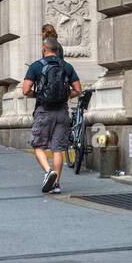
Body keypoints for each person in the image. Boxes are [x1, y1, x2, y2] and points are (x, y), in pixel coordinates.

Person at [22, 36, 81, 193]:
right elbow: (78, 89)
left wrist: (38, 95)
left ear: (44, 48)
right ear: (57, 50)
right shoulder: (66, 66)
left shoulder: (36, 67)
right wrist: (66, 95)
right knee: (57, 149)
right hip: (62, 111)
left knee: (38, 146)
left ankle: (49, 172)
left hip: (44, 111)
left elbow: (25, 90)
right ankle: (57, 184)